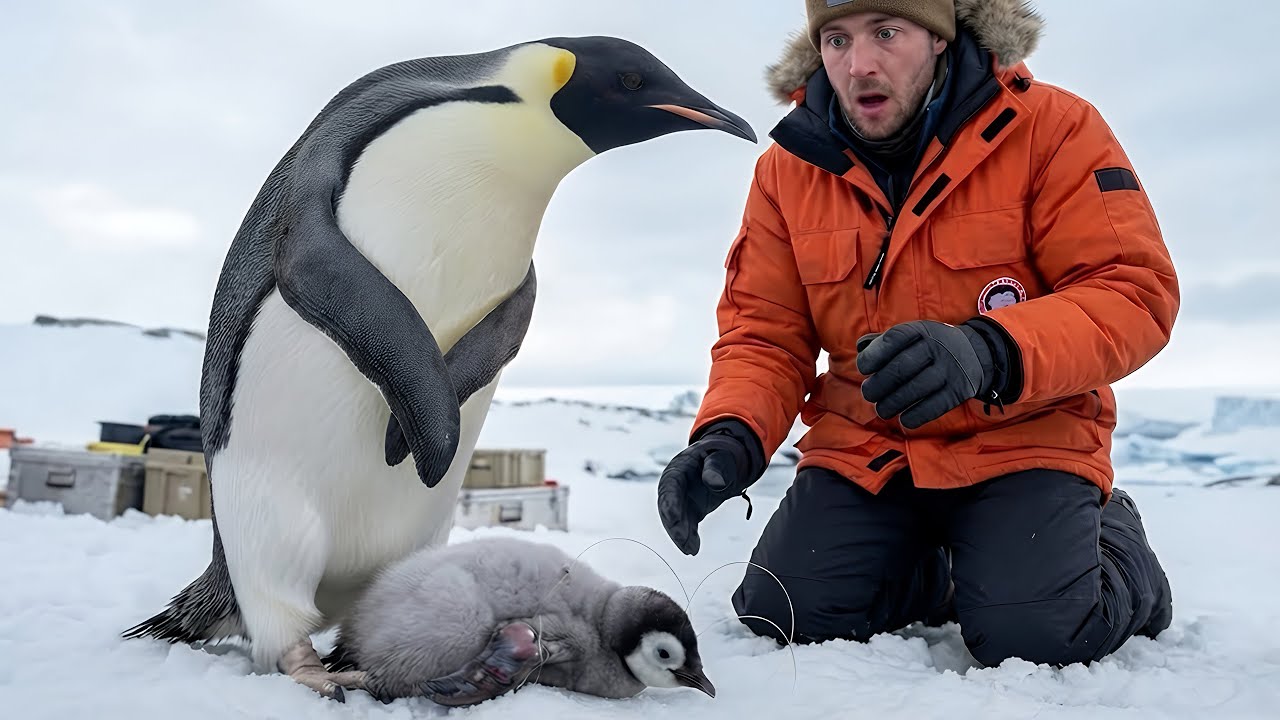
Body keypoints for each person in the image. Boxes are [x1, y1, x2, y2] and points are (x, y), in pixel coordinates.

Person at [656, 0, 1178, 668]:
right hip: (870, 447)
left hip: (1023, 437)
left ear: (939, 37)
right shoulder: (787, 169)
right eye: (837, 39)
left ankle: (1114, 543)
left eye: (886, 32)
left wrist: (988, 351)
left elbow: (1134, 291)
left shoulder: (1055, 128)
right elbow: (765, 332)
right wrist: (730, 433)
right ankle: (952, 570)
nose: (859, 64)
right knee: (780, 610)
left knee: (1038, 634)